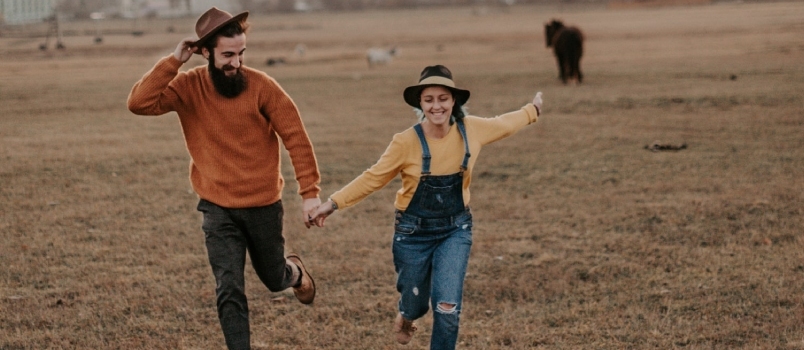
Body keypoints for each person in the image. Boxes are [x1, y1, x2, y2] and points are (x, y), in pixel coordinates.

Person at [309, 64, 544, 349]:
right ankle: (408, 315)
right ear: (420, 103)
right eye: (429, 99)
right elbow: (373, 178)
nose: (437, 106)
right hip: (412, 233)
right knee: (416, 303)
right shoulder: (405, 142)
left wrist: (532, 110)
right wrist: (332, 204)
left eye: (443, 98)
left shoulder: (472, 130)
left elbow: (505, 123)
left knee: (447, 309)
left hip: (455, 230)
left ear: (453, 101)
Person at [127, 7, 320, 350]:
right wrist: (174, 60)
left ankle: (294, 272)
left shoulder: (262, 86)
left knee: (274, 279)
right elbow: (139, 103)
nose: (236, 63)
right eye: (228, 55)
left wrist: (310, 194)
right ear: (205, 52)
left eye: (241, 53)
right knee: (229, 287)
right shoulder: (186, 87)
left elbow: (296, 138)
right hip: (217, 207)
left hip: (262, 204)